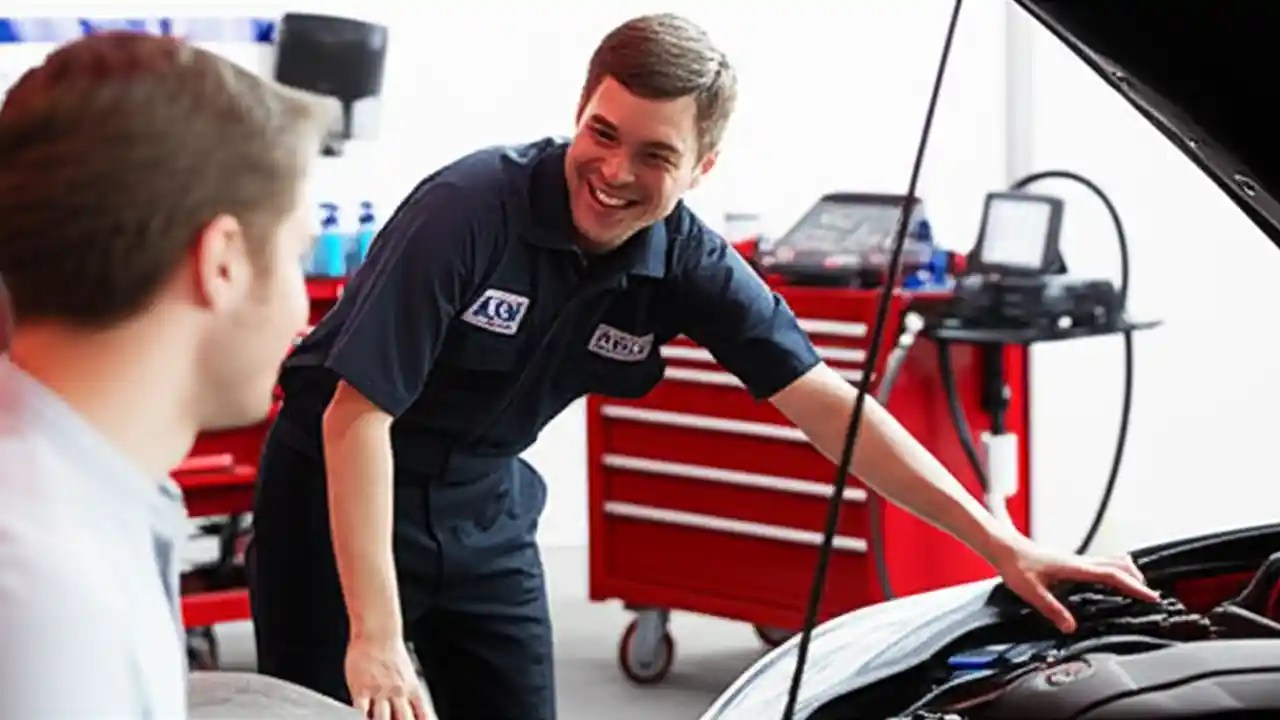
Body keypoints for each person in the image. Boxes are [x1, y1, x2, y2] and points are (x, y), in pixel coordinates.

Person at [247, 12, 1160, 720]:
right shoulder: (466, 209)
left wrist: (1003, 543)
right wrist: (376, 632)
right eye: (602, 133)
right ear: (579, 112)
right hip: (337, 498)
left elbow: (831, 408)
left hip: (485, 512)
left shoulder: (689, 259)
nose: (611, 171)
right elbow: (355, 417)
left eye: (655, 155)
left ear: (703, 165)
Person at [0, 31, 332, 719]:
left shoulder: (70, 498)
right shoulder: (52, 596)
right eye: (297, 253)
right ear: (224, 262)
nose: (303, 307)